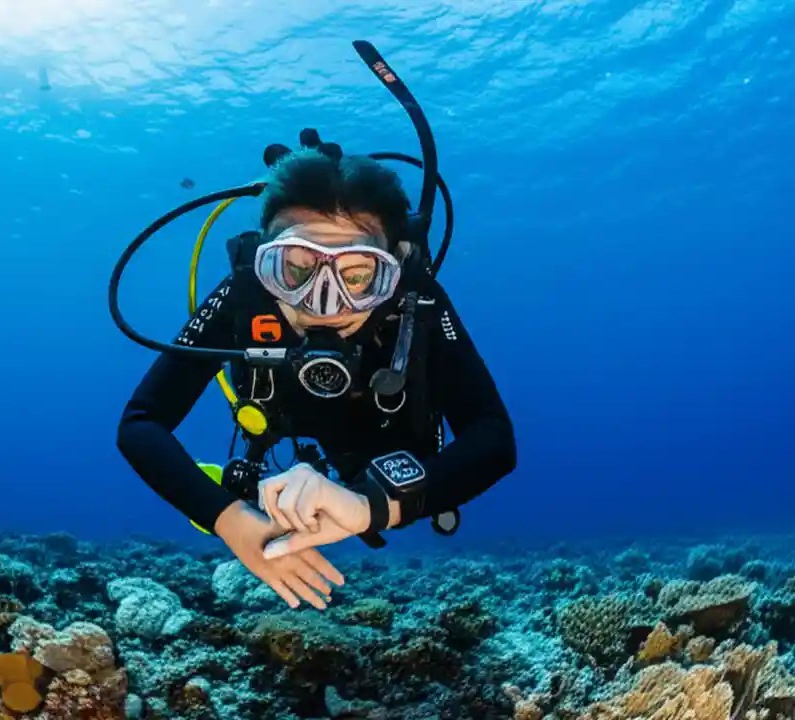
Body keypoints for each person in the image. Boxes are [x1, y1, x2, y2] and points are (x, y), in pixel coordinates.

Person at [111, 41, 516, 611]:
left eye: (357, 274)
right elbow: (141, 423)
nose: (324, 303)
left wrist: (373, 507)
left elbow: (494, 440)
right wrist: (230, 521)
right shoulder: (243, 293)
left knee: (383, 490)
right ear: (263, 260)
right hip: (282, 425)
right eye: (295, 269)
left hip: (385, 443)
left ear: (393, 271)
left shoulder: (416, 300)